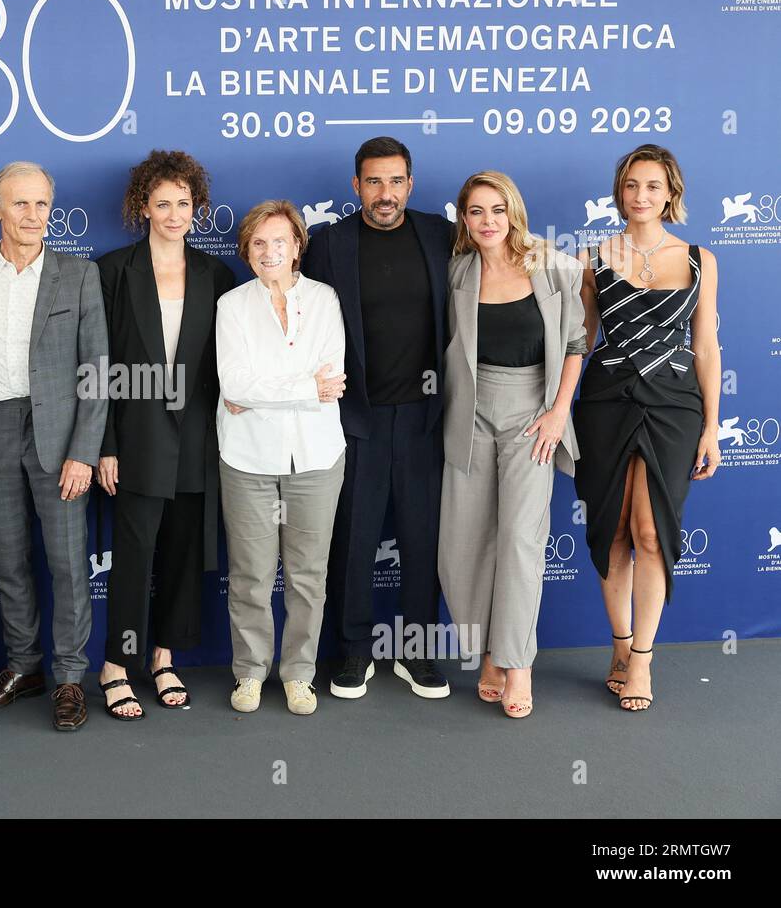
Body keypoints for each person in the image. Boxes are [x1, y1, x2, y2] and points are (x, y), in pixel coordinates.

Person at [0, 162, 109, 732]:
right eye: (20, 204)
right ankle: (24, 667)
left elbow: (96, 371)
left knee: (68, 563)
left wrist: (84, 451)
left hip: (61, 436)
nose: (33, 216)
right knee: (10, 558)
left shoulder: (78, 274)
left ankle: (70, 679)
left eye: (42, 204)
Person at [301, 136, 455, 701]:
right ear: (356, 186)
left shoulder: (440, 235)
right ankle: (352, 651)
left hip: (425, 414)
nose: (384, 194)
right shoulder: (329, 244)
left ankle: (417, 653)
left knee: (422, 539)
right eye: (373, 182)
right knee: (352, 540)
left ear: (410, 185)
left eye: (395, 182)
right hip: (353, 417)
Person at [574, 145, 720, 712]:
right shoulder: (594, 257)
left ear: (670, 193)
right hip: (607, 403)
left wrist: (712, 427)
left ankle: (643, 660)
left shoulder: (702, 260)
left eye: (653, 186)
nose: (641, 196)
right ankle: (618, 644)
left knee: (653, 531)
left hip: (674, 407)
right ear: (620, 191)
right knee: (611, 528)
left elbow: (705, 347)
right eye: (632, 185)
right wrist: (553, 404)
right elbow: (582, 341)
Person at [437, 171, 587, 719]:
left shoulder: (550, 264)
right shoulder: (458, 270)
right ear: (464, 219)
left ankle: (518, 663)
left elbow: (575, 342)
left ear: (513, 212)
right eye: (476, 211)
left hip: (533, 414)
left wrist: (556, 413)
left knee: (522, 540)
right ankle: (488, 656)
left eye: (497, 210)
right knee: (464, 541)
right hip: (470, 411)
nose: (487, 221)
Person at [94, 150, 234, 720]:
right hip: (136, 438)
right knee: (133, 555)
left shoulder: (217, 275)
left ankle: (162, 657)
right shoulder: (111, 272)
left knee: (182, 554)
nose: (174, 214)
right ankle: (116, 665)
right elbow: (96, 367)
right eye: (162, 204)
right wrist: (104, 444)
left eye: (184, 203)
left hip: (199, 440)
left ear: (196, 208)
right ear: (142, 207)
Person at [217, 200, 346, 715]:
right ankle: (249, 673)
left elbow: (330, 382)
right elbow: (234, 383)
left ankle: (298, 674)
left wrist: (266, 391)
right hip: (247, 458)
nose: (270, 252)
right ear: (247, 251)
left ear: (297, 247)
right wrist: (302, 386)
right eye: (259, 243)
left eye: (280, 241)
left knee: (308, 575)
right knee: (250, 573)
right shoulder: (232, 305)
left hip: (316, 456)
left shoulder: (325, 299)